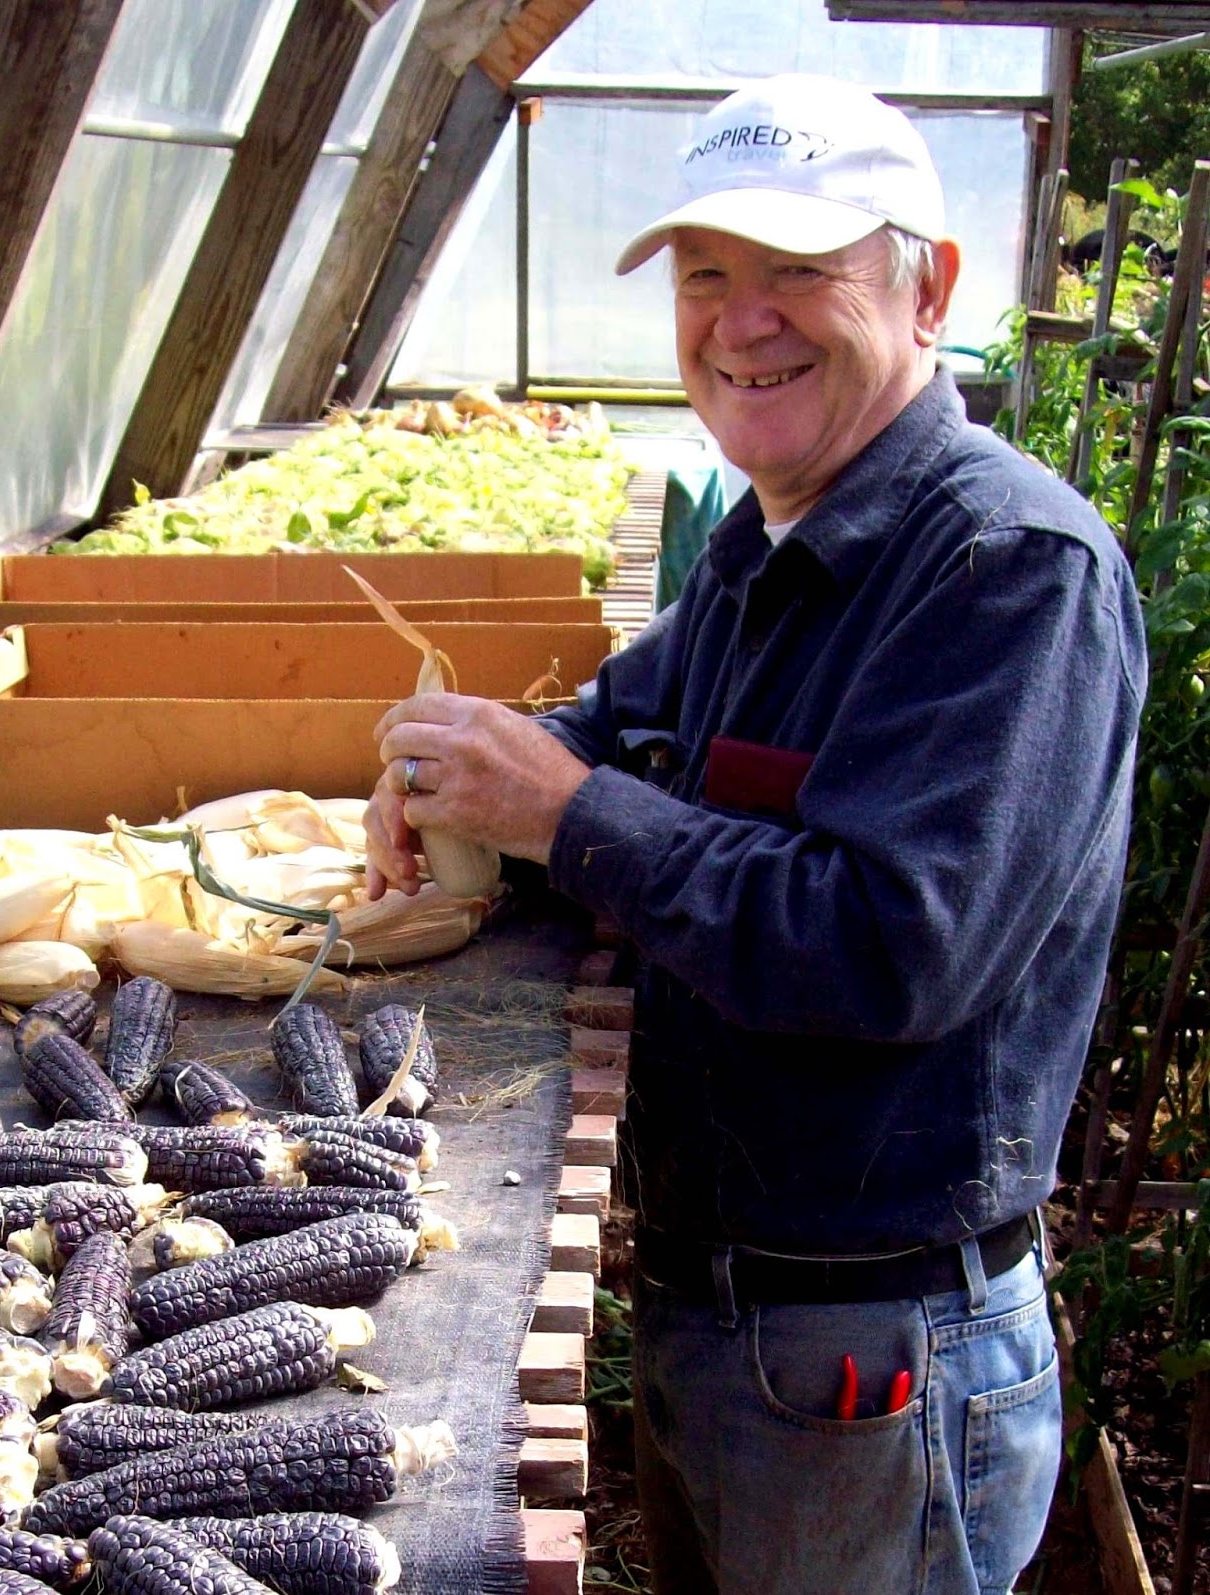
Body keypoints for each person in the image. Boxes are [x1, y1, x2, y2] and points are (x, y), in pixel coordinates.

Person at [362, 74, 1145, 1595]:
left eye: (800, 271)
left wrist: (563, 812)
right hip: (734, 1299)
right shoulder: (774, 528)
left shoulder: (1004, 571)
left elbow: (884, 946)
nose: (742, 322)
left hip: (874, 1346)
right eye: (707, 278)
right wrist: (462, 782)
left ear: (931, 290)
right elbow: (623, 723)